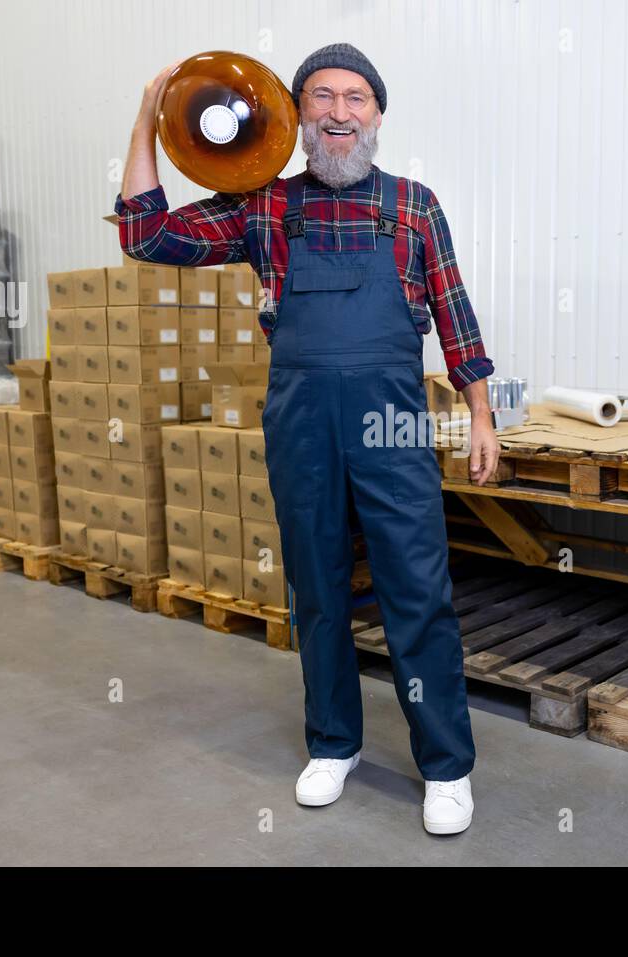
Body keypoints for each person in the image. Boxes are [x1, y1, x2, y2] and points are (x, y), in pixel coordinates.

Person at [116, 43, 499, 835]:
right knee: (316, 589)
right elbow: (145, 236)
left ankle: (446, 766)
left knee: (416, 593)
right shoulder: (263, 205)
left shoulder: (415, 206)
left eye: (355, 98)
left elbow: (455, 314)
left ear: (377, 115)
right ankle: (333, 743)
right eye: (320, 97)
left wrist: (482, 413)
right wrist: (148, 118)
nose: (338, 112)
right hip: (301, 424)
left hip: (392, 426)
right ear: (295, 114)